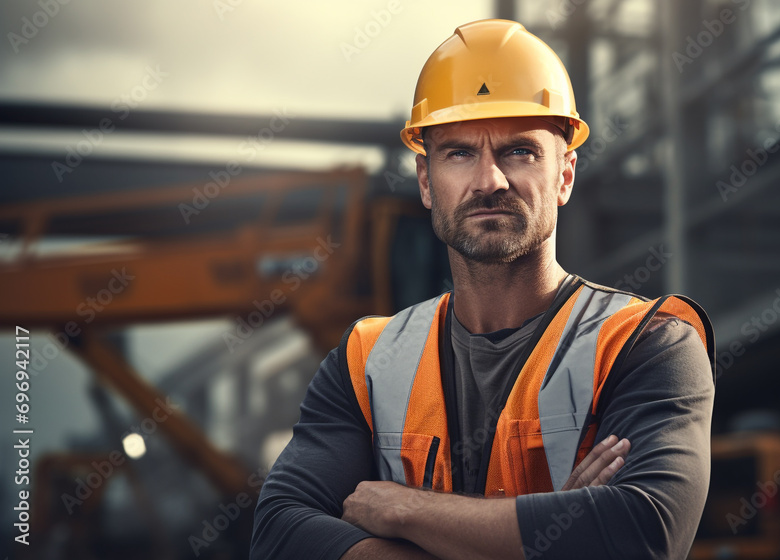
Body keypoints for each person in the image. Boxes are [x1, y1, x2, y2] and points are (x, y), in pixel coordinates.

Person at [250, 19, 716, 560]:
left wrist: (406, 511)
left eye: (519, 151)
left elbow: (642, 534)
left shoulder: (646, 344)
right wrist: (547, 536)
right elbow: (279, 535)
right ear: (426, 181)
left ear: (564, 174)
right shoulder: (365, 363)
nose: (490, 179)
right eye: (460, 153)